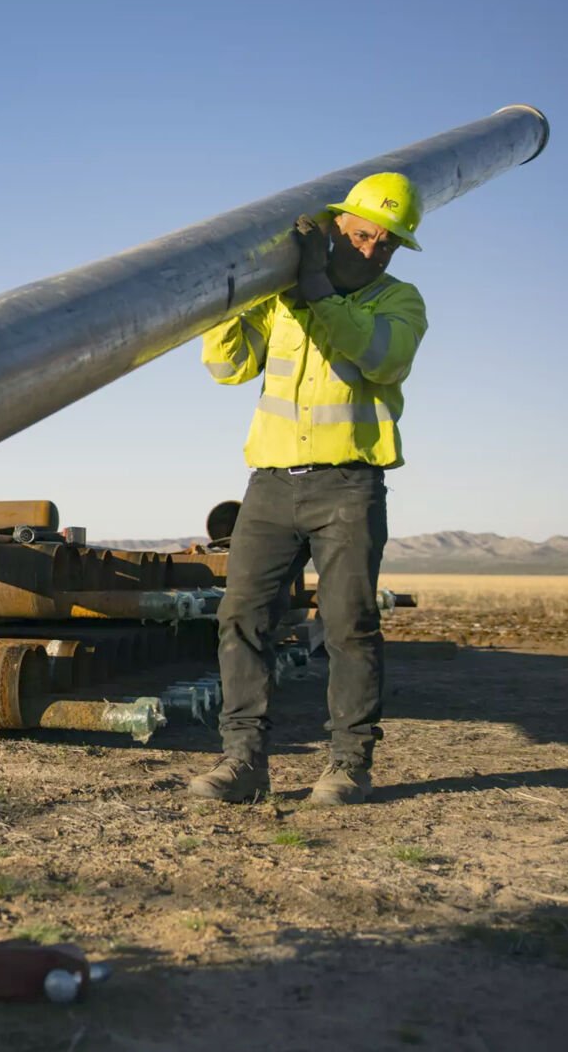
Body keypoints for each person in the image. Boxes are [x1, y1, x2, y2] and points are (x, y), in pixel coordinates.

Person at [188, 172, 428, 806]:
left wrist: (318, 288)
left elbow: (382, 357)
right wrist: (231, 298)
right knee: (241, 619)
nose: (373, 250)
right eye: (362, 235)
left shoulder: (399, 302)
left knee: (348, 625)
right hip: (270, 486)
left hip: (348, 487)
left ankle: (349, 764)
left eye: (386, 242)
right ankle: (243, 761)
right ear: (334, 227)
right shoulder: (281, 301)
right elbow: (227, 368)